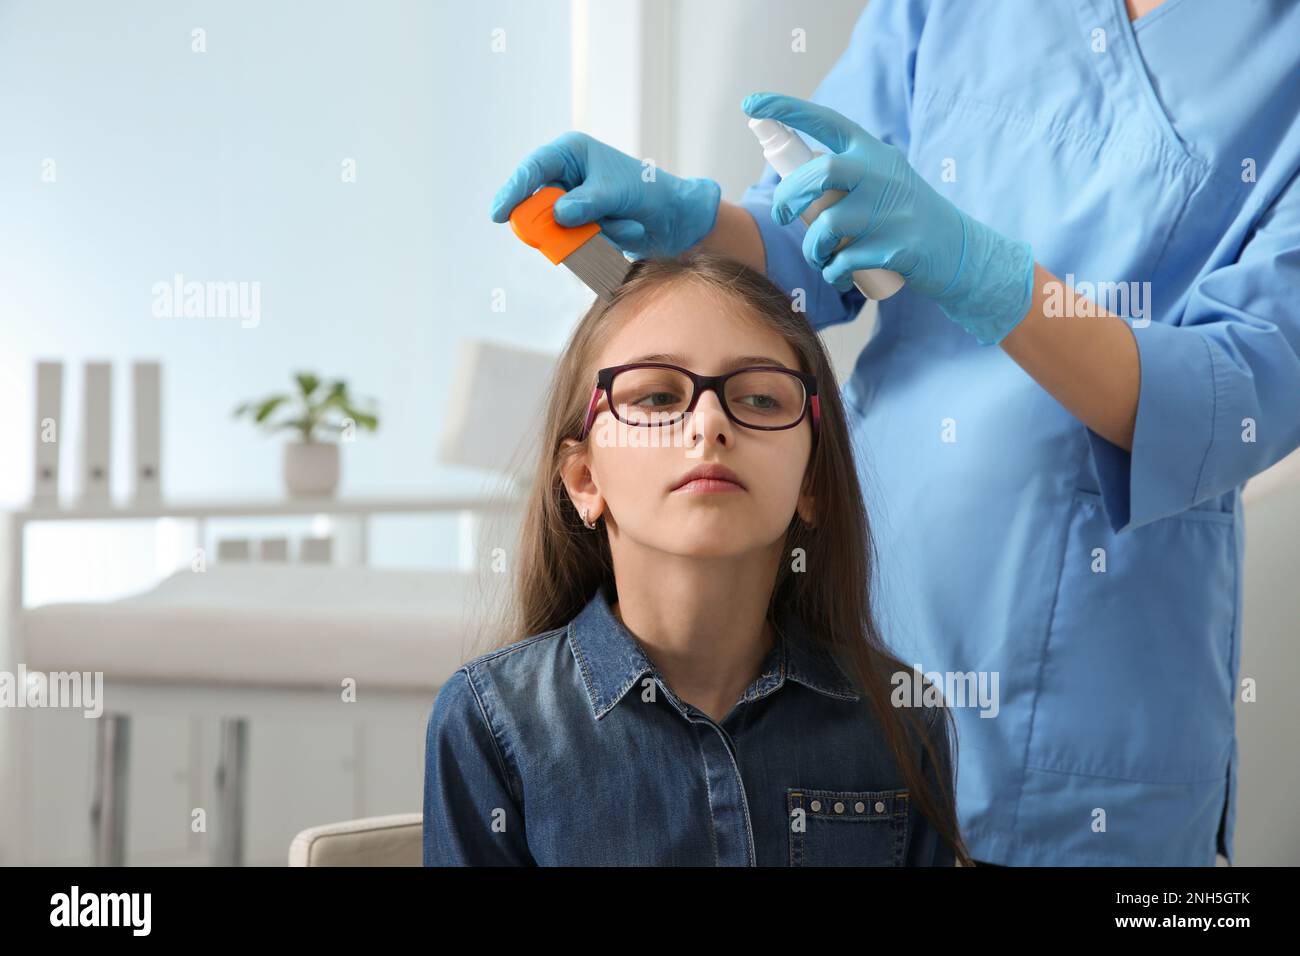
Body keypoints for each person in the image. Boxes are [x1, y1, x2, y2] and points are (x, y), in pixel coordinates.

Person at [488, 0, 1300, 865]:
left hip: (1087, 698)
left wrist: (988, 273)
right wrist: (699, 224)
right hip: (870, 618)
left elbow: (1235, 394)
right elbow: (819, 239)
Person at [424, 252, 966, 866]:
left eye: (760, 399)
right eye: (657, 396)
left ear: (812, 481)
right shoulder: (490, 723)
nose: (708, 425)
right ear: (583, 480)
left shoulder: (902, 718)